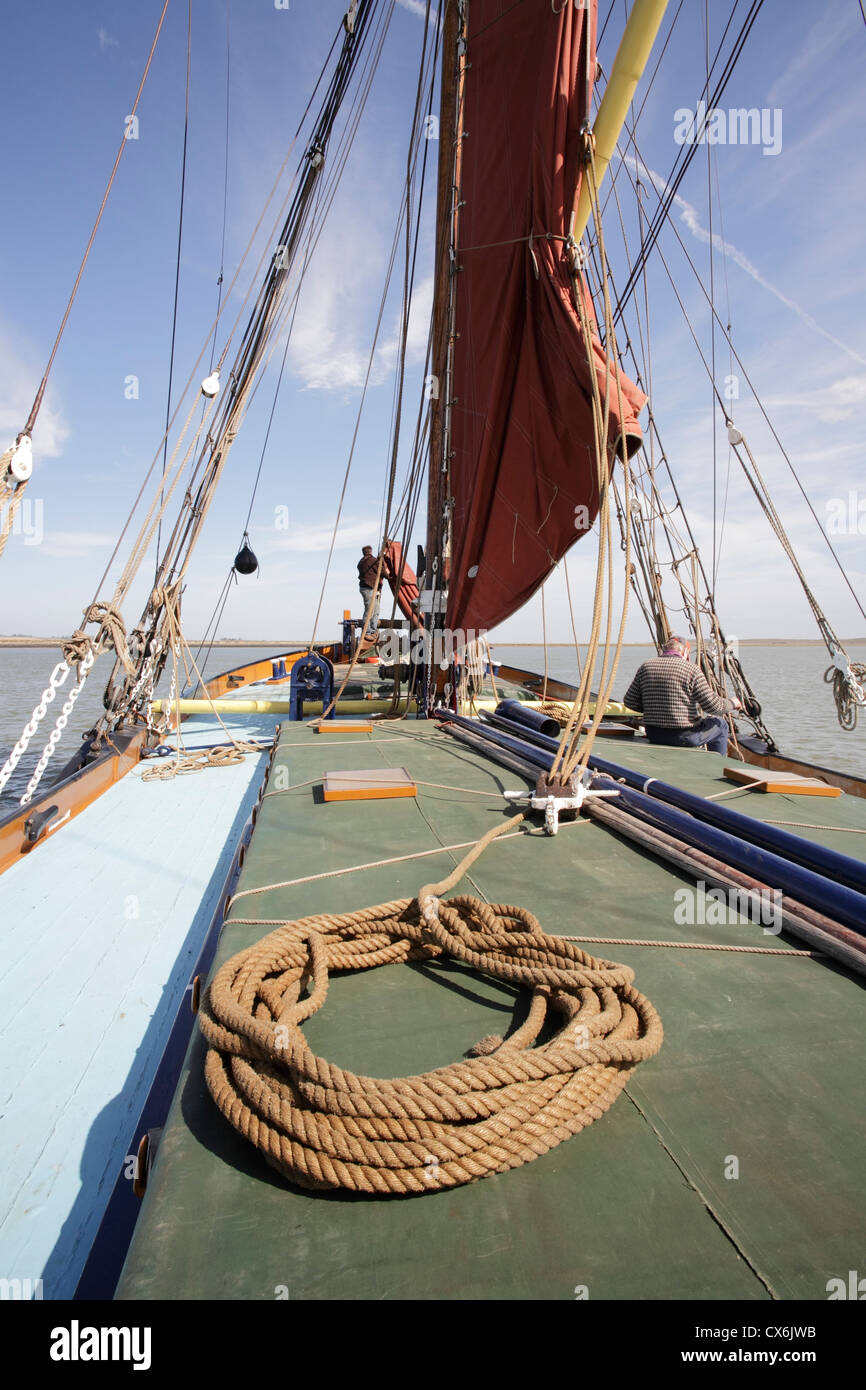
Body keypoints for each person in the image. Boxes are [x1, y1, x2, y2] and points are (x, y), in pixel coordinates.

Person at [622, 635, 741, 755]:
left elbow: (629, 701)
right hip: (683, 737)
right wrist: (733, 703)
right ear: (685, 652)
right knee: (721, 725)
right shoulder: (691, 670)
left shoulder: (646, 667)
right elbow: (714, 707)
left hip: (654, 734)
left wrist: (652, 708)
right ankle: (719, 765)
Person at [357, 545, 382, 637]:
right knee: (370, 610)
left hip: (366, 588)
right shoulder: (372, 560)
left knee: (375, 609)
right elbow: (381, 571)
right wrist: (389, 577)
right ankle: (367, 631)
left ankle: (372, 630)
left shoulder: (361, 562)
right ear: (370, 551)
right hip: (369, 588)